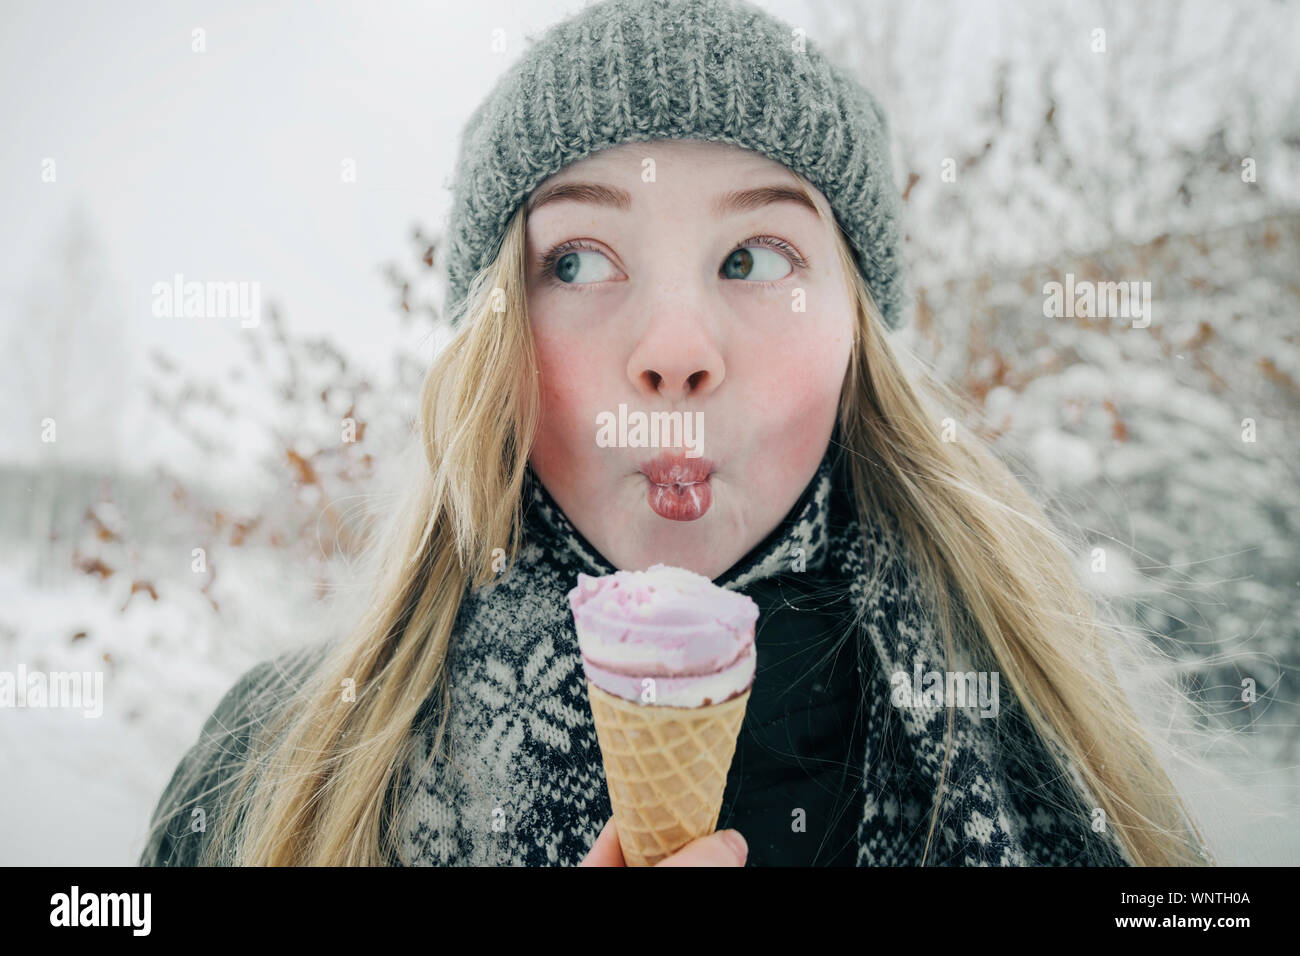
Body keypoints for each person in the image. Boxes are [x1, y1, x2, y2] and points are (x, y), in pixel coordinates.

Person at [138, 0, 1215, 867]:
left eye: (753, 256)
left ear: (858, 340)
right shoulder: (266, 778)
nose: (673, 349)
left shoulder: (1068, 766)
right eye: (577, 261)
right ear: (490, 348)